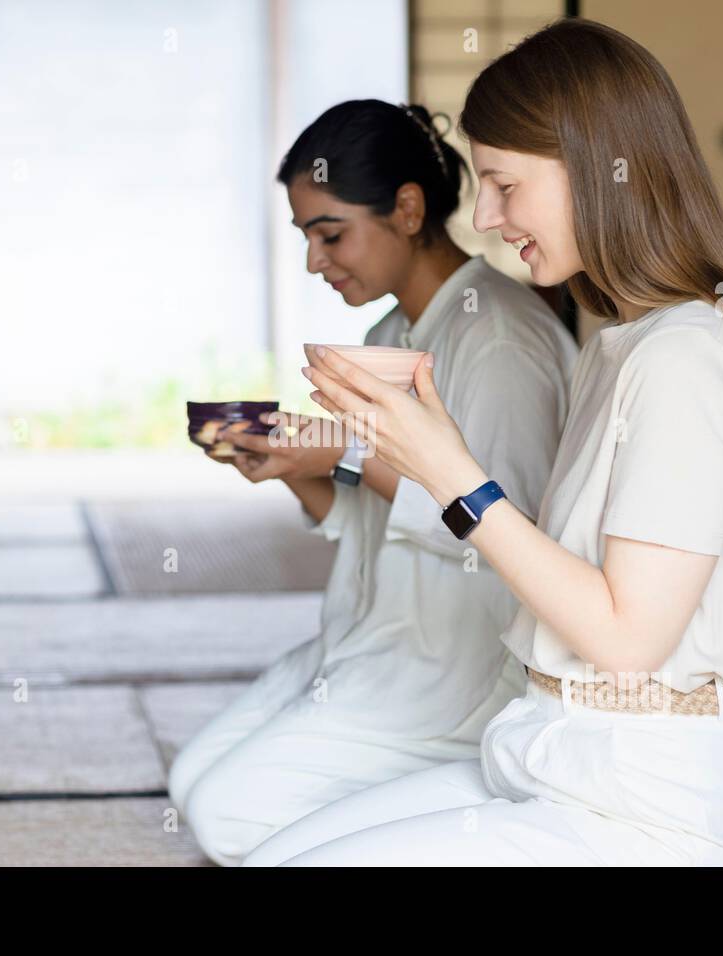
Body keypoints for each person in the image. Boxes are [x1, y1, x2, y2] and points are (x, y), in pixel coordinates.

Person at [243, 19, 723, 867]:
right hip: (556, 753)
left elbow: (627, 638)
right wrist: (370, 457)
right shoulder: (630, 342)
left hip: (656, 804)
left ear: (595, 170)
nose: (484, 216)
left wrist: (446, 471)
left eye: (506, 184)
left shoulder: (689, 356)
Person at [167, 99, 579, 866]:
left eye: (331, 234)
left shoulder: (498, 339)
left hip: (458, 667)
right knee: (192, 784)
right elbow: (370, 519)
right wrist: (293, 466)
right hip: (375, 642)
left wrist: (342, 453)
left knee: (227, 818)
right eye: (306, 239)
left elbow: (506, 527)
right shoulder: (387, 337)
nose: (316, 261)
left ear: (408, 209)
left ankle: (482, 789)